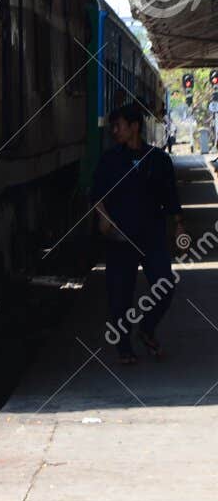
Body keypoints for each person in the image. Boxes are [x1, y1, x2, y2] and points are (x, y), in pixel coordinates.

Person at [91, 103, 186, 365]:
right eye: (113, 125)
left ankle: (147, 329)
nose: (114, 130)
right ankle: (124, 348)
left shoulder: (159, 160)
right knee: (120, 295)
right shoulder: (110, 160)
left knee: (164, 284)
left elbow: (171, 197)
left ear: (134, 127)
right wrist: (104, 217)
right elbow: (96, 194)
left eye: (118, 125)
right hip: (120, 238)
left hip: (152, 235)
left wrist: (179, 225)